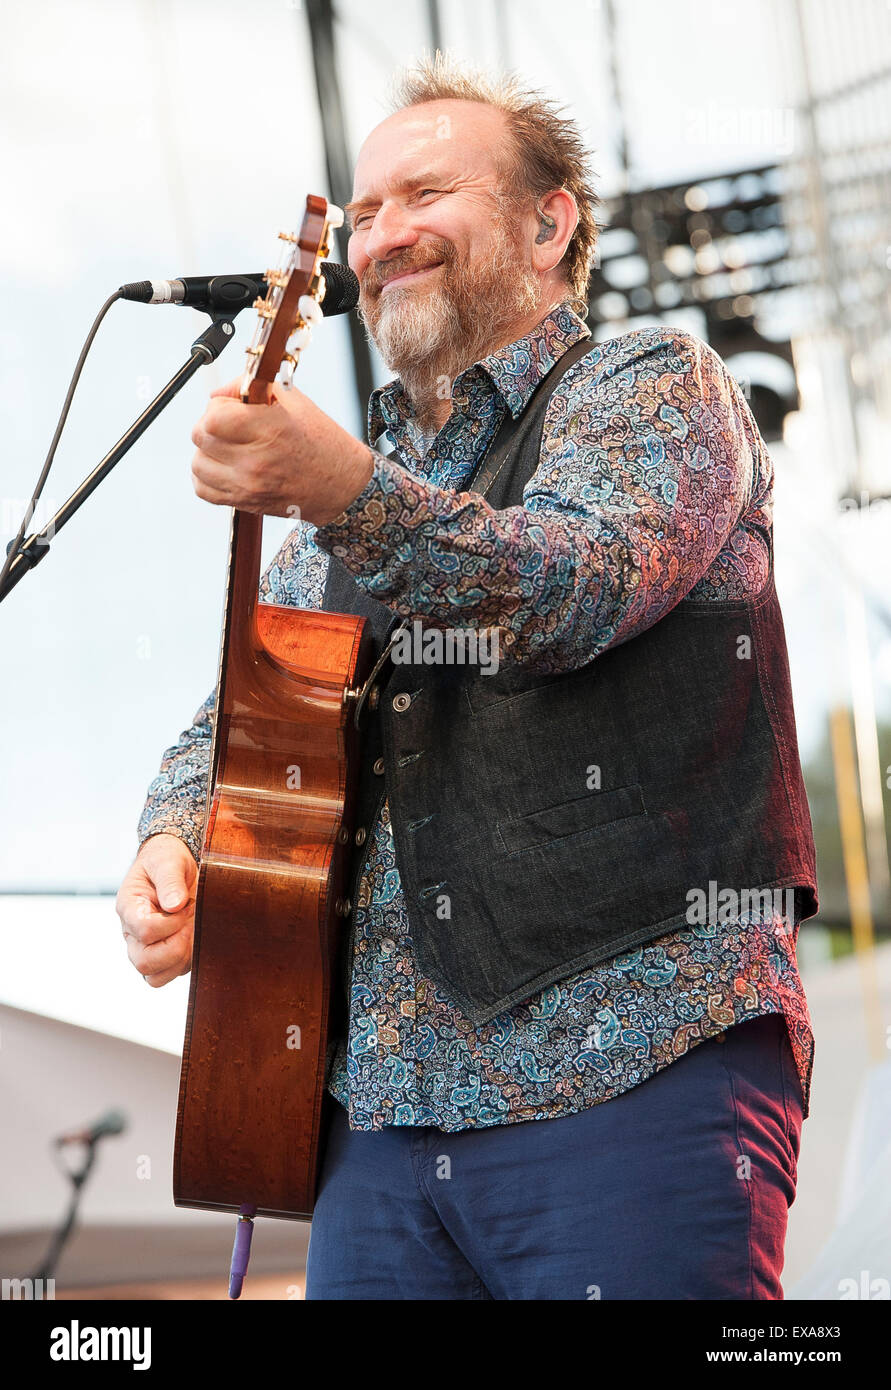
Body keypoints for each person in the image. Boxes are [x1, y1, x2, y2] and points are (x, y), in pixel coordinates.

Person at [116, 52, 818, 1300]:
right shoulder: (344, 492)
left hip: (634, 1068)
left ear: (550, 223)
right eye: (366, 210)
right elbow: (237, 717)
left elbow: (572, 583)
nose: (382, 235)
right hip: (374, 1128)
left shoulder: (652, 385)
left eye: (425, 194)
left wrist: (341, 489)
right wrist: (174, 838)